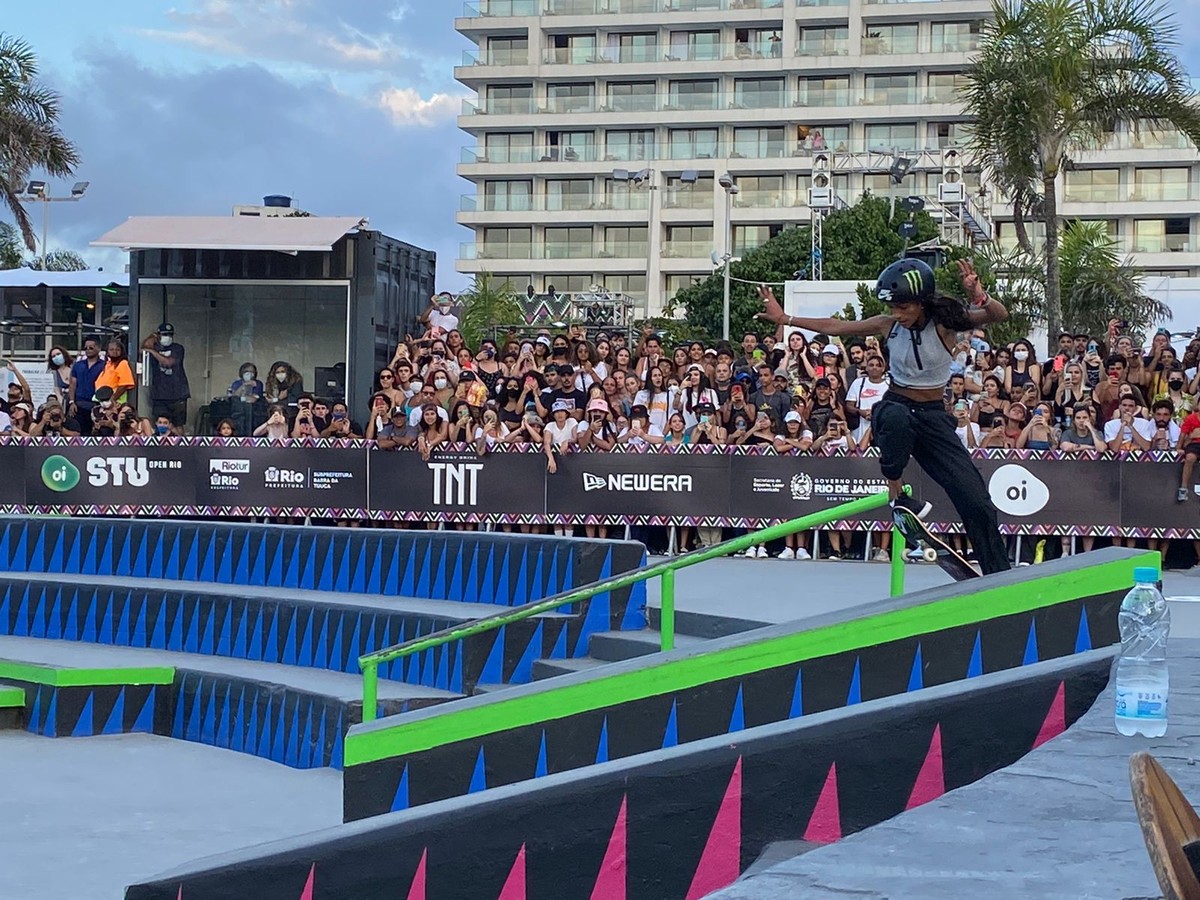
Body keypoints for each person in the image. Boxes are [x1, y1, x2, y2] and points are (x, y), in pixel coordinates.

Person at [759, 256, 1012, 575]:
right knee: (894, 416)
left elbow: (998, 315)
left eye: (903, 307)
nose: (898, 314)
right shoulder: (887, 325)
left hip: (934, 419)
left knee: (976, 500)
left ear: (921, 302)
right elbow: (835, 326)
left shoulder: (945, 324)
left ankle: (997, 573)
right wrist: (786, 318)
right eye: (893, 307)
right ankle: (897, 494)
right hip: (896, 405)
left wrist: (978, 294)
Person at [142, 322, 191, 430]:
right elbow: (144, 348)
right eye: (164, 334)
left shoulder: (178, 348)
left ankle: (178, 441)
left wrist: (152, 352)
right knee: (160, 424)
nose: (167, 337)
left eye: (170, 334)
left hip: (178, 394)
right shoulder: (156, 347)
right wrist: (152, 336)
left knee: (178, 425)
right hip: (159, 394)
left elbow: (168, 362)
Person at [68, 336, 105, 435]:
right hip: (79, 405)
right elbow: (72, 384)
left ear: (99, 348)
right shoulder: (78, 365)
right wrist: (71, 402)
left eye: (91, 347)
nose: (88, 350)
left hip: (97, 405)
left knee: (96, 434)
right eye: (85, 348)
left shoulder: (104, 365)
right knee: (78, 433)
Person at [95, 340, 136, 406]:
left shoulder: (122, 363)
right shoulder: (108, 364)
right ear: (107, 351)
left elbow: (123, 385)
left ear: (122, 351)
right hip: (102, 400)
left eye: (117, 349)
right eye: (111, 349)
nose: (114, 352)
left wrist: (112, 400)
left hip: (114, 403)